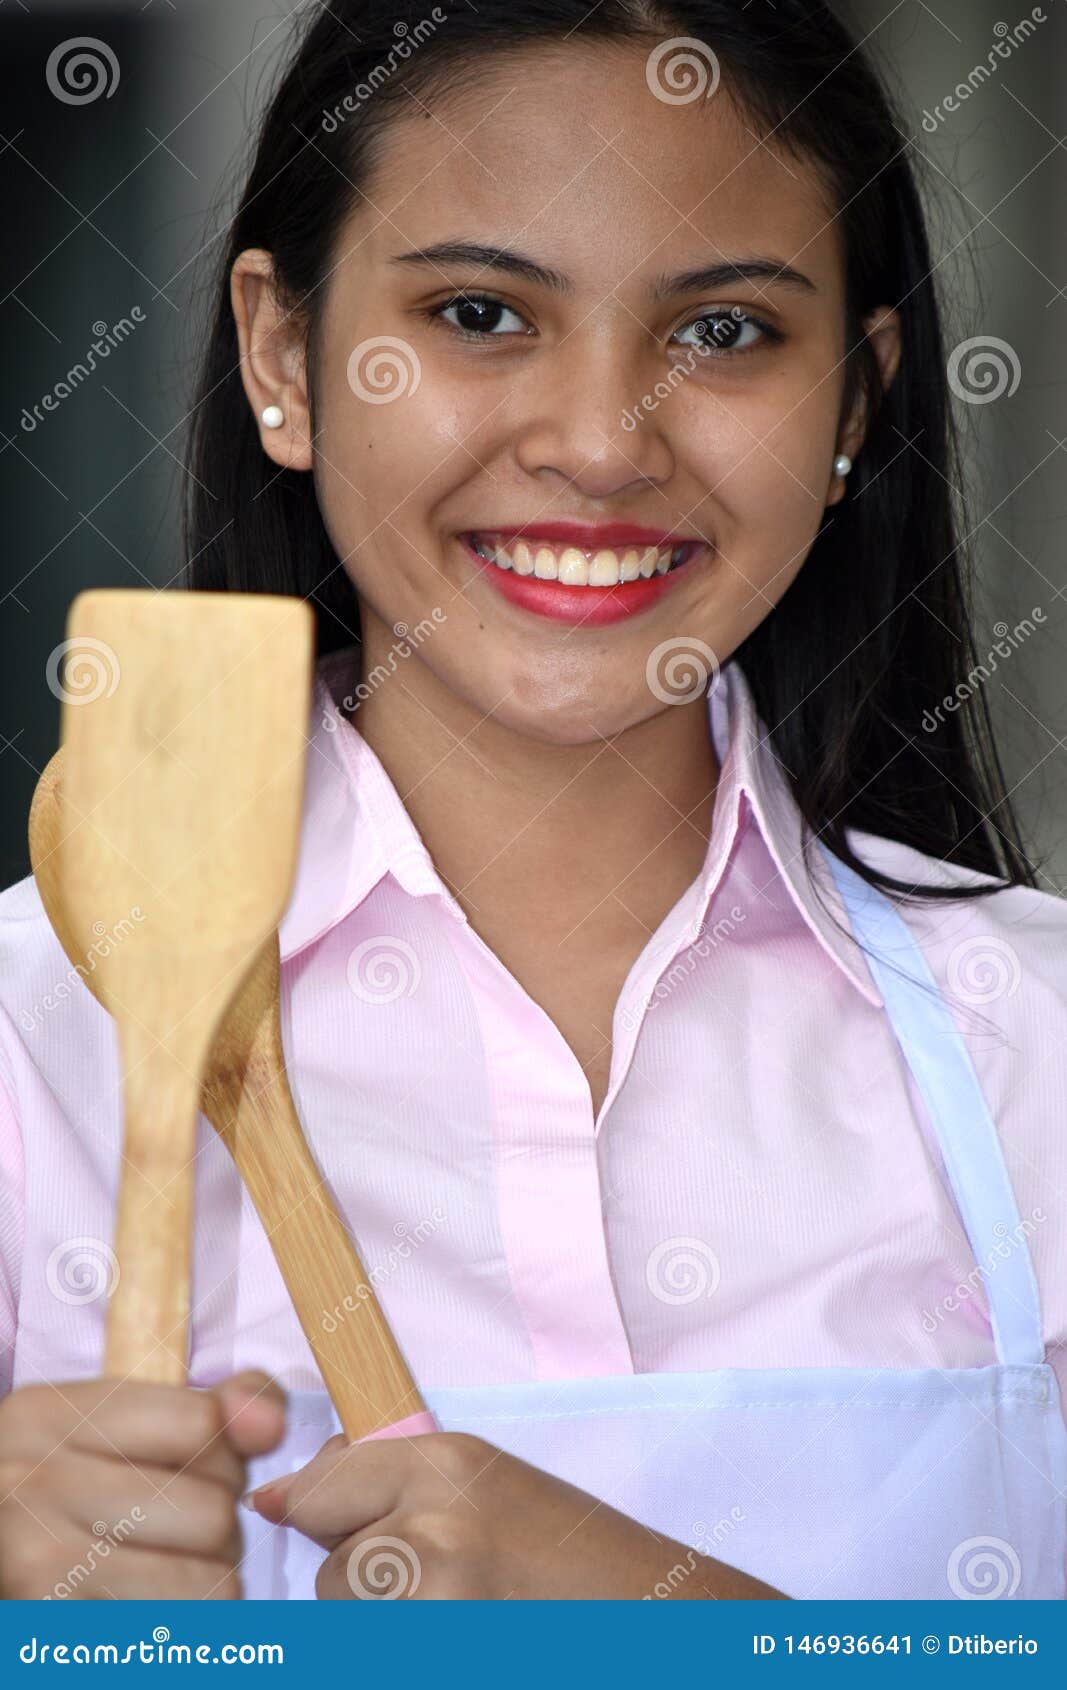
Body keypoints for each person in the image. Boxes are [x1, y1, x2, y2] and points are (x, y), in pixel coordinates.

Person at [1, 0, 1064, 1602]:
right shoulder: (29, 1051)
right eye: (482, 313)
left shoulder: (1038, 1048)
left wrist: (682, 1624)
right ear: (283, 356)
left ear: (856, 403)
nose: (600, 445)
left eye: (724, 331)